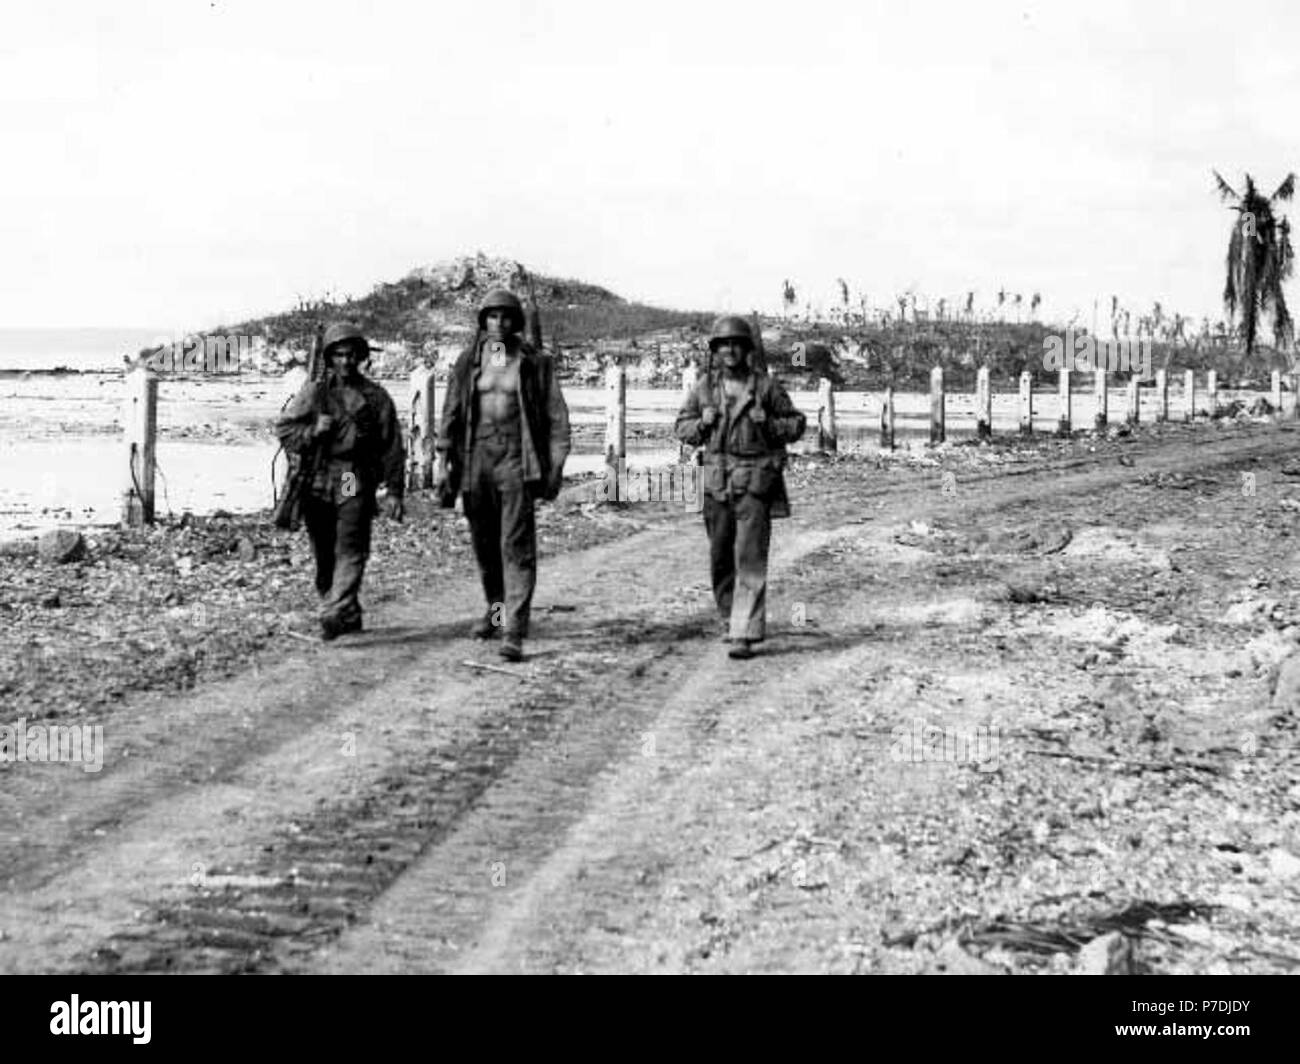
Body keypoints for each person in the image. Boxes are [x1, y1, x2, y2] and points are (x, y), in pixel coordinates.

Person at [435, 289, 570, 662]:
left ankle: (514, 629)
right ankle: (495, 613)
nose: (499, 324)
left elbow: (557, 418)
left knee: (516, 545)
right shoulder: (469, 361)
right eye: (492, 316)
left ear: (516, 323)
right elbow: (451, 412)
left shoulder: (535, 364)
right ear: (483, 321)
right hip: (476, 459)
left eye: (506, 317)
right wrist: (443, 460)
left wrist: (556, 465)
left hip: (515, 460)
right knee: (485, 546)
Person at [674, 316, 806, 659]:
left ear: (746, 349)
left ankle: (744, 630)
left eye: (736, 344)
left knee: (750, 557)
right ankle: (729, 616)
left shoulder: (766, 387)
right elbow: (681, 428)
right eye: (723, 345)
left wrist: (771, 425)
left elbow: (797, 424)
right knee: (720, 557)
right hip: (716, 483)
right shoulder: (704, 388)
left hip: (754, 482)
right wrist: (701, 424)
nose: (730, 350)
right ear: (715, 351)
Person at [275, 323, 406, 641]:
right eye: (339, 355)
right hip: (318, 478)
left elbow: (392, 446)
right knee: (323, 552)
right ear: (329, 358)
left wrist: (394, 491)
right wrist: (313, 430)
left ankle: (334, 610)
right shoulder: (314, 393)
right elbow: (286, 431)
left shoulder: (375, 397)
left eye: (351, 355)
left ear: (360, 357)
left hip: (350, 476)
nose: (345, 361)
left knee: (350, 544)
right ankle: (344, 609)